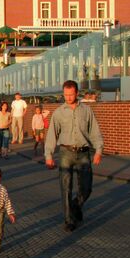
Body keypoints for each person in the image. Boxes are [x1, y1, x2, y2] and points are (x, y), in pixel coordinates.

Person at [45, 80, 103, 233]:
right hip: (66, 152)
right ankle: (69, 220)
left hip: (84, 152)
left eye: (71, 94)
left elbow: (94, 131)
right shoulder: (59, 112)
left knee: (86, 188)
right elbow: (52, 134)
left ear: (77, 93)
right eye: (65, 95)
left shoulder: (86, 110)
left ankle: (75, 207)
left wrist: (98, 150)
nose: (68, 97)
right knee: (66, 188)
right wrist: (48, 155)